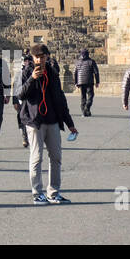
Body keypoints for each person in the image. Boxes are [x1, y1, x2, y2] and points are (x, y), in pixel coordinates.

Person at [14, 43, 78, 204]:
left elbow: (60, 99)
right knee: (36, 157)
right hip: (34, 122)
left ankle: (53, 192)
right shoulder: (26, 72)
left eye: (42, 57)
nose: (40, 60)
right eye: (37, 57)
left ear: (47, 57)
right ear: (33, 58)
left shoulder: (53, 73)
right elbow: (20, 94)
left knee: (56, 157)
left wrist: (69, 123)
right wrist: (32, 78)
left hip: (53, 120)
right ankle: (37, 193)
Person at [13, 51, 33, 149]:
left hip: (32, 99)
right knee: (21, 118)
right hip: (21, 99)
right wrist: (15, 101)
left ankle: (31, 137)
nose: (27, 62)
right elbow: (15, 86)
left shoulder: (34, 72)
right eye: (25, 60)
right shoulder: (19, 73)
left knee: (32, 118)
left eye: (29, 60)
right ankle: (24, 137)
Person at [73, 49, 100, 117]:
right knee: (90, 95)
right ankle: (86, 108)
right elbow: (96, 72)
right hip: (89, 81)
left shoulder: (77, 62)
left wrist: (76, 82)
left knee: (83, 96)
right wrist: (97, 82)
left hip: (81, 82)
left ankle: (85, 112)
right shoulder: (91, 61)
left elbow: (75, 73)